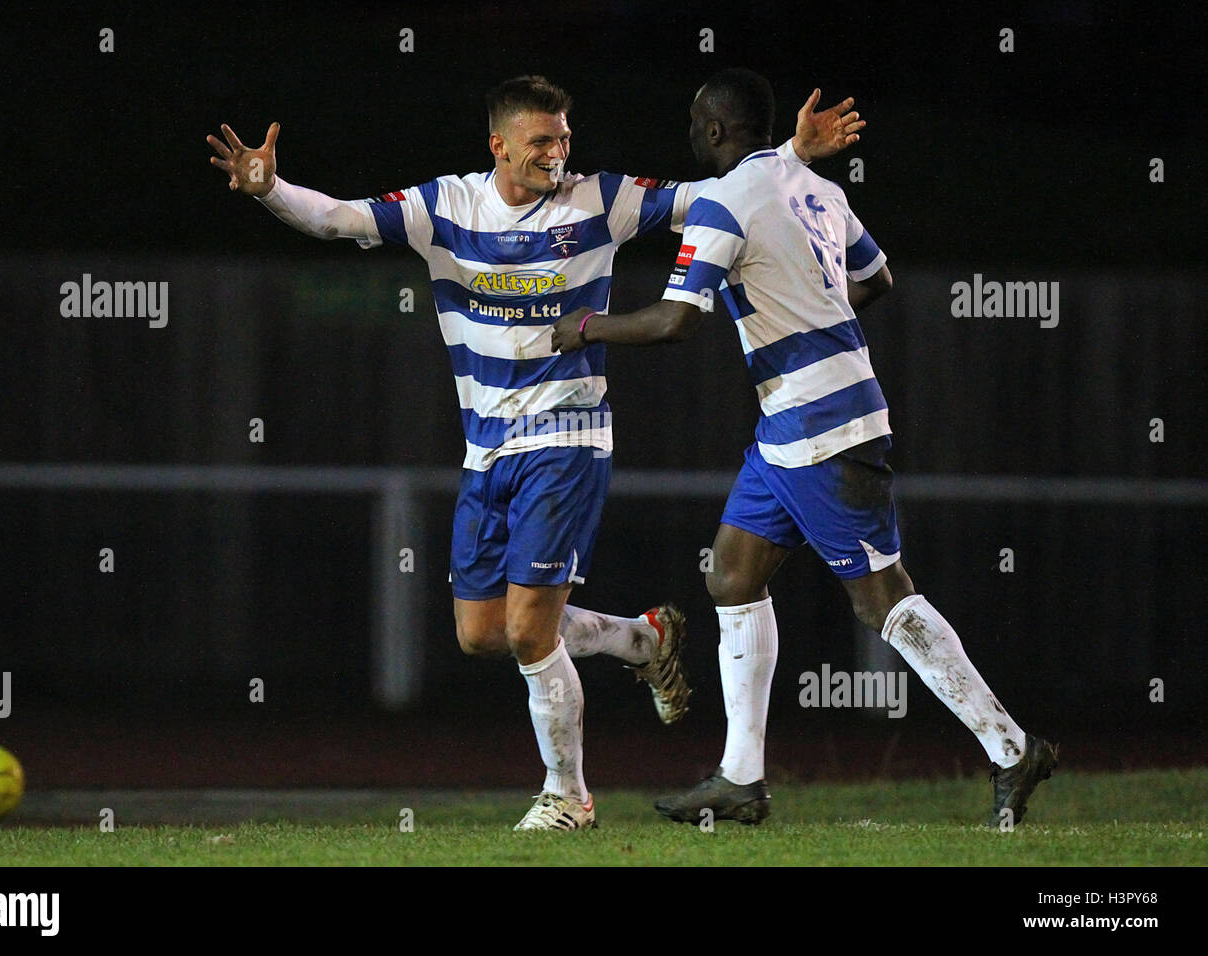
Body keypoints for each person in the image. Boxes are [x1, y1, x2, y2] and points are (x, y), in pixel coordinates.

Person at [208, 75, 863, 830]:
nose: (558, 155)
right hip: (486, 450)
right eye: (541, 143)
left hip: (567, 436)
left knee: (527, 631)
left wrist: (786, 154)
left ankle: (568, 798)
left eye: (564, 139)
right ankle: (638, 639)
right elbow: (335, 220)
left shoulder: (599, 200)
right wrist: (269, 188)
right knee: (480, 632)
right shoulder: (445, 206)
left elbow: (709, 197)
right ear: (500, 147)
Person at [552, 67, 1058, 828]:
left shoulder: (724, 201)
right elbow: (877, 277)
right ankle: (740, 779)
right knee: (730, 574)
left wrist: (584, 328)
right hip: (789, 427)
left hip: (824, 428)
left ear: (716, 131)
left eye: (696, 123)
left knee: (882, 599)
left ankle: (1012, 747)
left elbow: (674, 322)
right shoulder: (818, 188)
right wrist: (813, 310)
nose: (691, 133)